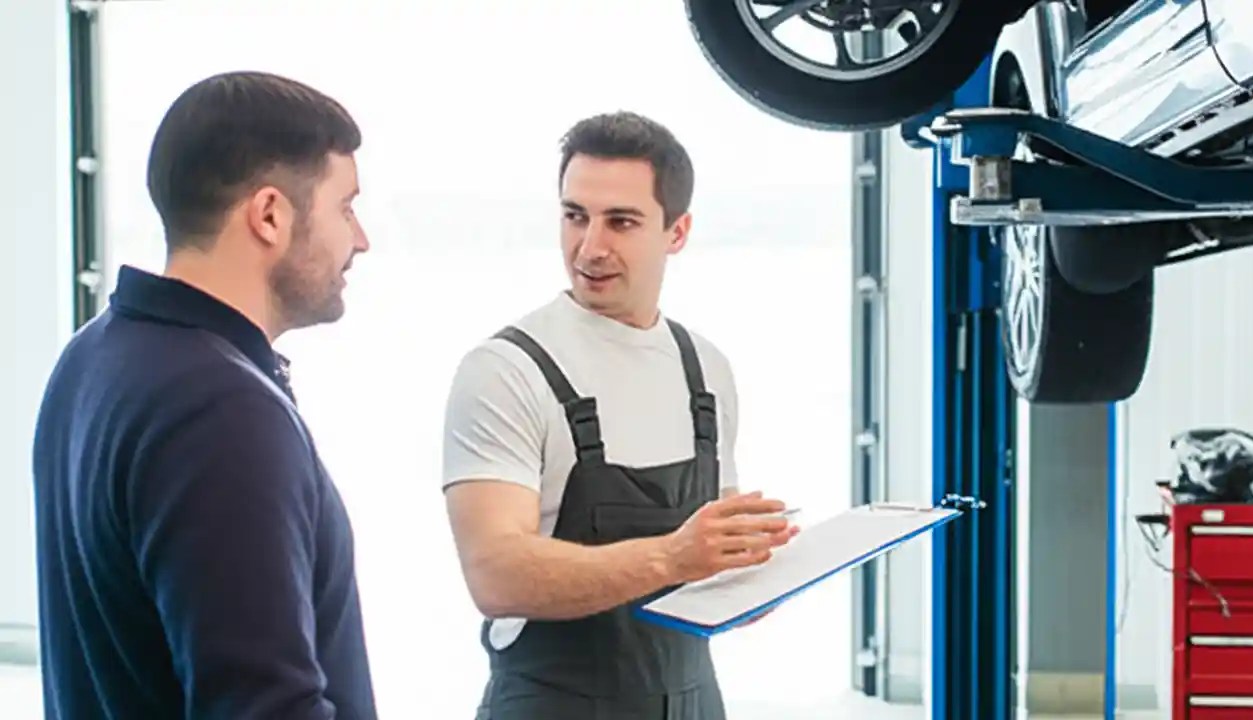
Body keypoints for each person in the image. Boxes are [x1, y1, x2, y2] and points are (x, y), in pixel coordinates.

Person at [31, 70, 377, 719]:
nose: (360, 239)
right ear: (270, 214)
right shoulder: (220, 411)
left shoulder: (92, 358)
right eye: (346, 206)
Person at [441, 110, 798, 719]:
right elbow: (495, 575)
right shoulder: (506, 370)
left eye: (621, 222)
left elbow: (712, 571)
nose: (591, 247)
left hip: (693, 703)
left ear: (676, 232)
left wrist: (760, 575)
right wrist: (672, 557)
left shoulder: (704, 370)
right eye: (575, 216)